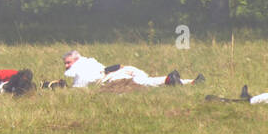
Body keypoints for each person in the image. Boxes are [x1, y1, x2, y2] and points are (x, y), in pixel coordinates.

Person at [61, 50, 203, 88]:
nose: (67, 66)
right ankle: (191, 82)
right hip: (122, 69)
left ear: (76, 60)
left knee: (144, 84)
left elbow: (78, 92)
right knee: (147, 81)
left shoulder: (80, 70)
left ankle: (168, 79)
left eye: (68, 63)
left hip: (114, 77)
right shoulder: (90, 61)